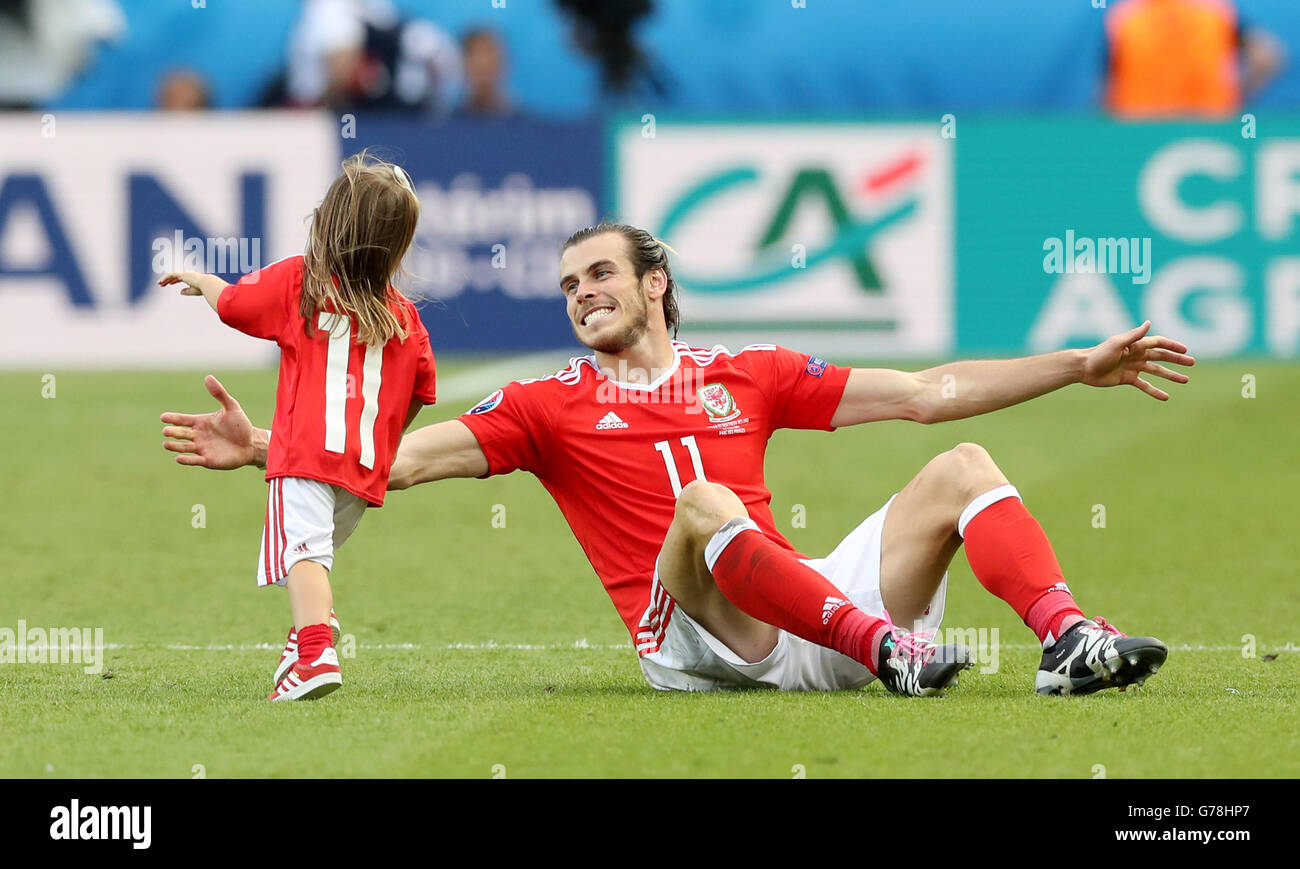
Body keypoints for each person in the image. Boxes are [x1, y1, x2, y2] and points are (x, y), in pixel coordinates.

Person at [161, 222, 1194, 698]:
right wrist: (271, 447)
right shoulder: (544, 404)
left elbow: (926, 393)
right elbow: (400, 463)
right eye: (568, 282)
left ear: (655, 281)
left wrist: (1073, 363)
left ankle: (1068, 638)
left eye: (600, 272)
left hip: (797, 606)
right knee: (702, 502)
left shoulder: (748, 371)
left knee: (964, 461)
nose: (580, 292)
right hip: (688, 635)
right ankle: (889, 650)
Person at [157, 152, 438, 701]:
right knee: (311, 557)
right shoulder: (409, 319)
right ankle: (305, 639)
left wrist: (206, 280)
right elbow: (420, 393)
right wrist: (377, 443)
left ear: (326, 225)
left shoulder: (302, 285)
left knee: (303, 556)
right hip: (361, 473)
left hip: (304, 459)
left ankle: (315, 655)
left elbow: (235, 306)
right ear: (400, 247)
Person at [1103, 0, 1285, 118]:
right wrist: (1235, 98)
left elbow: (1108, 82)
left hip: (1140, 123)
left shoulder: (1124, 15)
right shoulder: (1216, 11)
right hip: (1207, 120)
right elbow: (1267, 57)